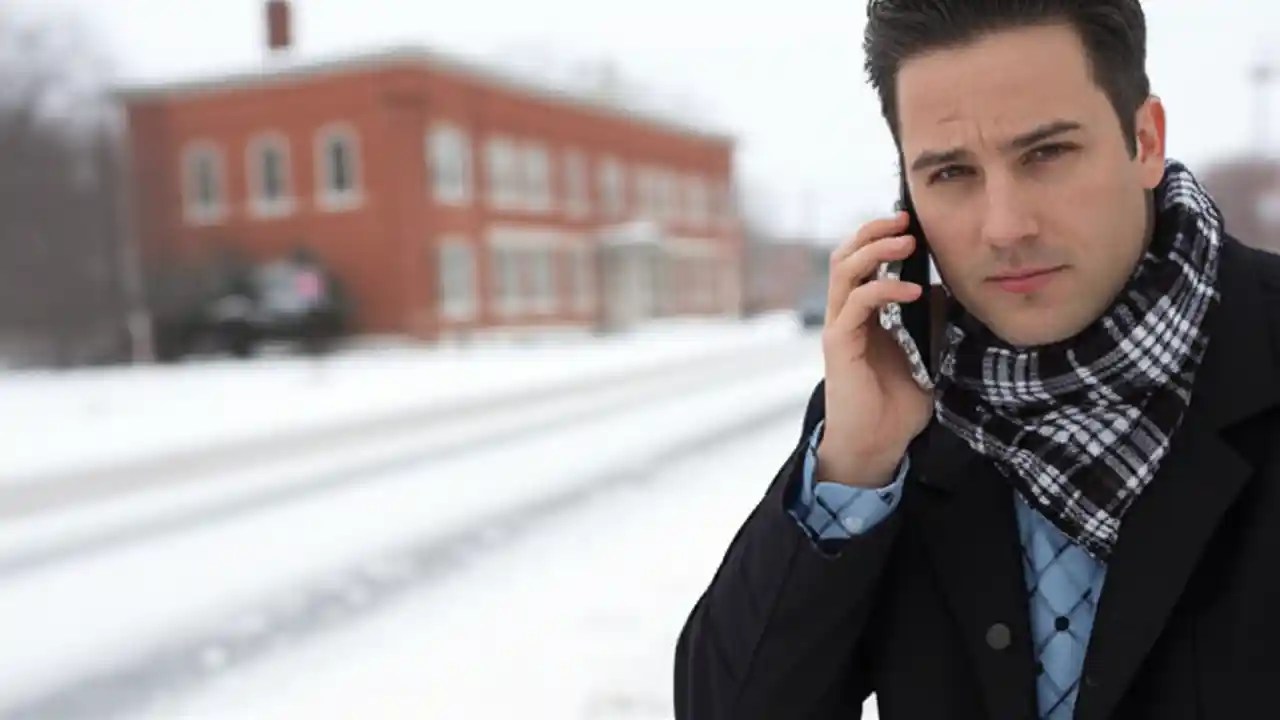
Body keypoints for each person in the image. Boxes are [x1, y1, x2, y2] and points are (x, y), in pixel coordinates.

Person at [674, 2, 1280, 718]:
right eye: (951, 173)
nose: (1005, 227)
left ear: (1144, 140)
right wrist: (854, 466)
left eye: (1046, 154)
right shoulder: (899, 403)